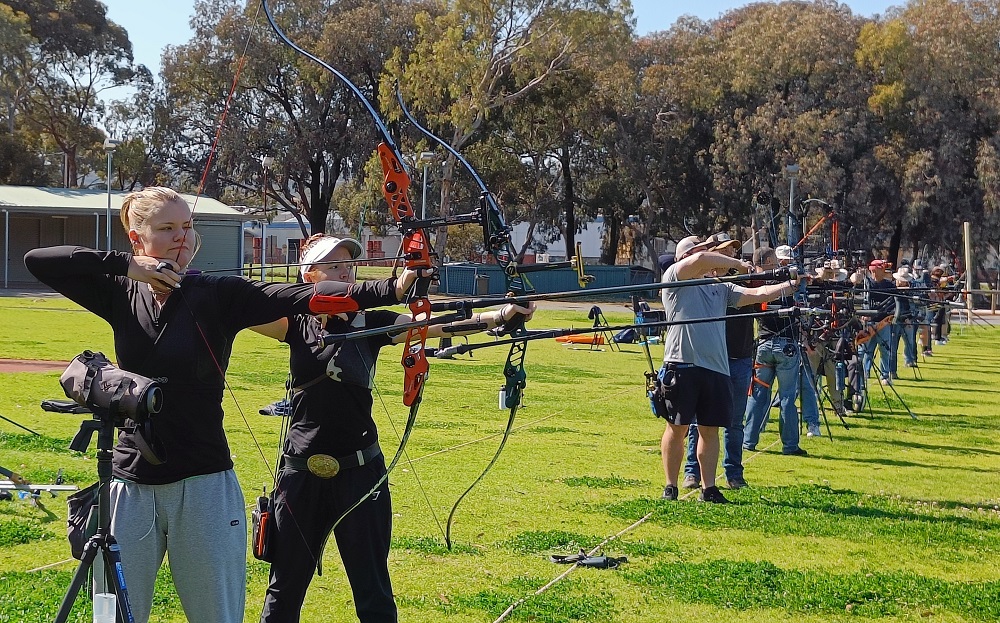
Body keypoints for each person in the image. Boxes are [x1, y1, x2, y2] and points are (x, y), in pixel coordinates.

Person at [24, 187, 416, 623]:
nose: (181, 237)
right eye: (167, 228)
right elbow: (39, 260)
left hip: (204, 482)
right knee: (118, 614)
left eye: (187, 226)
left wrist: (394, 287)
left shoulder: (217, 293)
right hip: (131, 481)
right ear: (137, 238)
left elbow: (304, 296)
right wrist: (128, 266)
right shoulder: (119, 290)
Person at [252, 234, 535, 623]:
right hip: (301, 474)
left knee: (373, 594)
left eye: (349, 266)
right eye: (334, 267)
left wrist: (499, 316)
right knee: (282, 593)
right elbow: (241, 307)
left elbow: (432, 326)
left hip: (358, 472)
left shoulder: (371, 322)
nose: (346, 274)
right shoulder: (294, 323)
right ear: (309, 275)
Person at [657, 236, 802, 504]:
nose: (709, 255)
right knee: (677, 428)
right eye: (702, 250)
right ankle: (671, 486)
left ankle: (709, 488)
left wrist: (791, 285)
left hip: (715, 368)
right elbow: (701, 260)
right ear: (686, 256)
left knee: (709, 430)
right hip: (681, 363)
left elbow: (757, 295)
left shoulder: (720, 288)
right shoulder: (675, 277)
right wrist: (740, 265)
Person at [681, 232, 755, 491]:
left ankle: (734, 473)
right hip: (709, 360)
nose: (729, 255)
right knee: (697, 422)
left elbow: (761, 292)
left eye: (732, 251)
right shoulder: (701, 282)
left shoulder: (743, 278)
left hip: (739, 357)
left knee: (735, 422)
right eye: (723, 251)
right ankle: (692, 473)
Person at [742, 247, 817, 455]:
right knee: (786, 397)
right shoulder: (779, 284)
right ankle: (790, 445)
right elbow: (794, 284)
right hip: (785, 347)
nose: (778, 263)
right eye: (774, 259)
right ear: (767, 261)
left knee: (758, 395)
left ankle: (748, 441)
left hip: (764, 346)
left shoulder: (754, 283)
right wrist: (799, 278)